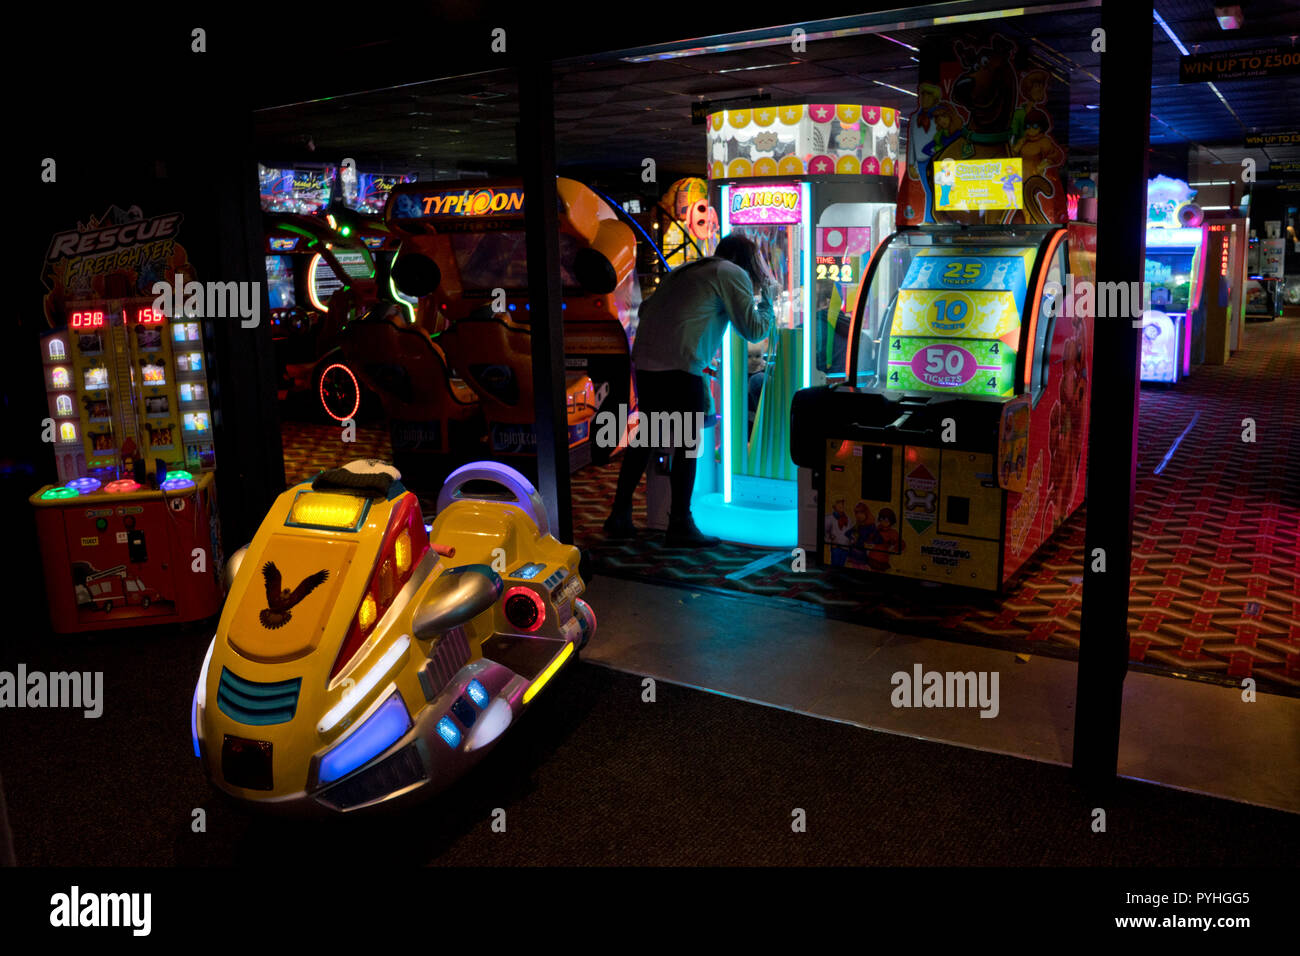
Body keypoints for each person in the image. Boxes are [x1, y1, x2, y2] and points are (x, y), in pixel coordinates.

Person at [605, 234, 775, 546]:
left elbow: (649, 312)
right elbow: (753, 329)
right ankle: (679, 524)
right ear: (747, 262)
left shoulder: (688, 268)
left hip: (647, 363)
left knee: (645, 438)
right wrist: (769, 301)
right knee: (686, 445)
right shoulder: (731, 273)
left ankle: (619, 514)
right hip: (679, 367)